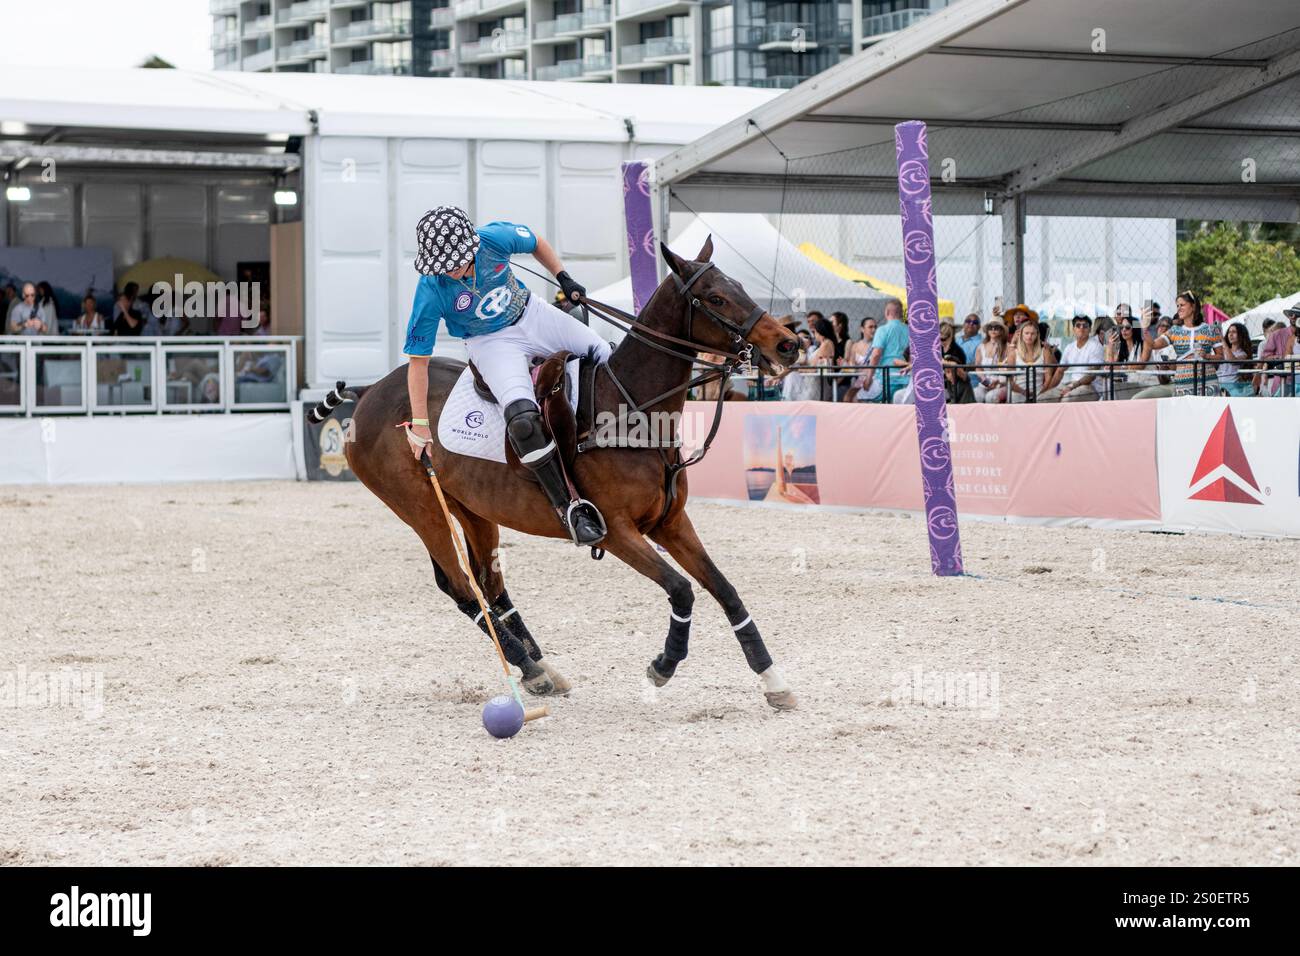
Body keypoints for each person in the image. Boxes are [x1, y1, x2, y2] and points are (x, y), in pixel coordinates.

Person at [402, 205, 610, 546]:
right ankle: (569, 508)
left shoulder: (493, 238)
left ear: (471, 246)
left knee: (606, 356)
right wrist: (420, 424)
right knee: (523, 422)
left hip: (533, 314)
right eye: (443, 267)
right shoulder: (430, 290)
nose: (450, 272)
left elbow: (535, 242)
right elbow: (418, 362)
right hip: (490, 343)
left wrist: (562, 276)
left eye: (455, 263)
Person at [1133, 291, 1220, 398]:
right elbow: (1153, 345)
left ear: (1193, 306)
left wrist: (1207, 356)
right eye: (1177, 306)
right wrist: (1145, 328)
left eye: (1182, 305)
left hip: (1208, 384)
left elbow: (1221, 357)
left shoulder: (1211, 330)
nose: (1178, 308)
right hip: (1183, 385)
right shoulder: (1175, 331)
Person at [861, 297, 909, 402]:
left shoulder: (883, 330)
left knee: (857, 396)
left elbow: (876, 354)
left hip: (886, 380)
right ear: (901, 313)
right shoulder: (909, 330)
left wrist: (869, 377)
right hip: (906, 380)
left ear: (887, 312)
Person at [1007, 319, 1061, 403]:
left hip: (1040, 392)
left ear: (1037, 335)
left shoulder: (1045, 352)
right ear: (1021, 335)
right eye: (1026, 333)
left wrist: (1041, 393)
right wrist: (1023, 392)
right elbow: (1010, 380)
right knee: (1016, 398)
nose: (1029, 336)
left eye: (1032, 333)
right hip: (1019, 393)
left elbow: (1048, 377)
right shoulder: (1013, 354)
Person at [1104, 314, 1155, 399]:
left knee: (1112, 393)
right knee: (1108, 392)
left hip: (1148, 385)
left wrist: (1121, 368)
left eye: (1127, 327)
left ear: (1135, 329)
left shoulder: (1144, 344)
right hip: (1133, 385)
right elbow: (1111, 366)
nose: (1123, 330)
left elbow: (1141, 366)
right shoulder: (1122, 348)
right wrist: (1110, 347)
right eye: (1121, 328)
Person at [1056, 316, 1106, 402]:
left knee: (1066, 399)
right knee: (1045, 397)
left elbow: (1091, 376)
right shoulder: (1069, 347)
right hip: (1072, 383)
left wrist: (1071, 386)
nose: (1081, 328)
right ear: (1074, 329)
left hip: (1091, 387)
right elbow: (1059, 371)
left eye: (1085, 326)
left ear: (1090, 329)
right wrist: (1048, 387)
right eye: (1078, 325)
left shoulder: (1096, 346)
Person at [1257, 305, 1299, 396]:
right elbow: (1265, 357)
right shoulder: (1277, 334)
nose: (1293, 317)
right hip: (1281, 383)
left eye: (1297, 314)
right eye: (1291, 314)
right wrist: (1281, 359)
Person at [973, 316, 1009, 403]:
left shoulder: (1007, 347)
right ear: (987, 330)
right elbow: (978, 367)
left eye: (996, 327)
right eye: (990, 327)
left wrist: (998, 382)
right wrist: (985, 380)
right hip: (985, 383)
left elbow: (1008, 368)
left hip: (1002, 384)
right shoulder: (981, 347)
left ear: (1001, 330)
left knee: (991, 397)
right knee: (976, 395)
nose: (993, 330)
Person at [1216, 322, 1256, 396]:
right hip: (1219, 387)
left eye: (1234, 332)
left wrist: (1221, 338)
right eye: (1229, 332)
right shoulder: (1223, 349)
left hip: (1233, 389)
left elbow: (1232, 360)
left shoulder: (1243, 354)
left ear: (1241, 335)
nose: (1230, 335)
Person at [938, 318, 973, 403]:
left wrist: (943, 362)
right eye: (938, 339)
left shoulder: (957, 351)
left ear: (951, 335)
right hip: (943, 385)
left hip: (954, 387)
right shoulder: (939, 349)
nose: (940, 342)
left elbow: (961, 373)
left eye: (943, 339)